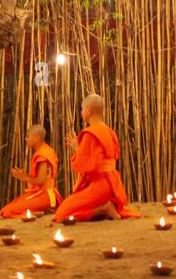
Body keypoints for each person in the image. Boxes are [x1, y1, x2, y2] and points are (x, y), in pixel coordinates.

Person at [52, 94, 138, 222]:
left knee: (61, 214)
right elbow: (102, 159)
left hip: (100, 184)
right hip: (112, 183)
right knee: (69, 208)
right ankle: (105, 208)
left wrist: (76, 148)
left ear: (89, 110)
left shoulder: (90, 133)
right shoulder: (109, 131)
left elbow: (85, 165)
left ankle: (103, 208)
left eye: (82, 109)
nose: (81, 112)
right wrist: (80, 148)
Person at [0, 124, 61, 218]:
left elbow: (41, 181)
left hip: (46, 196)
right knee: (6, 209)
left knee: (7, 212)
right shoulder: (43, 150)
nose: (26, 139)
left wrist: (26, 177)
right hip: (39, 193)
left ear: (36, 138)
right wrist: (26, 176)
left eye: (28, 136)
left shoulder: (43, 154)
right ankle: (38, 211)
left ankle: (38, 212)